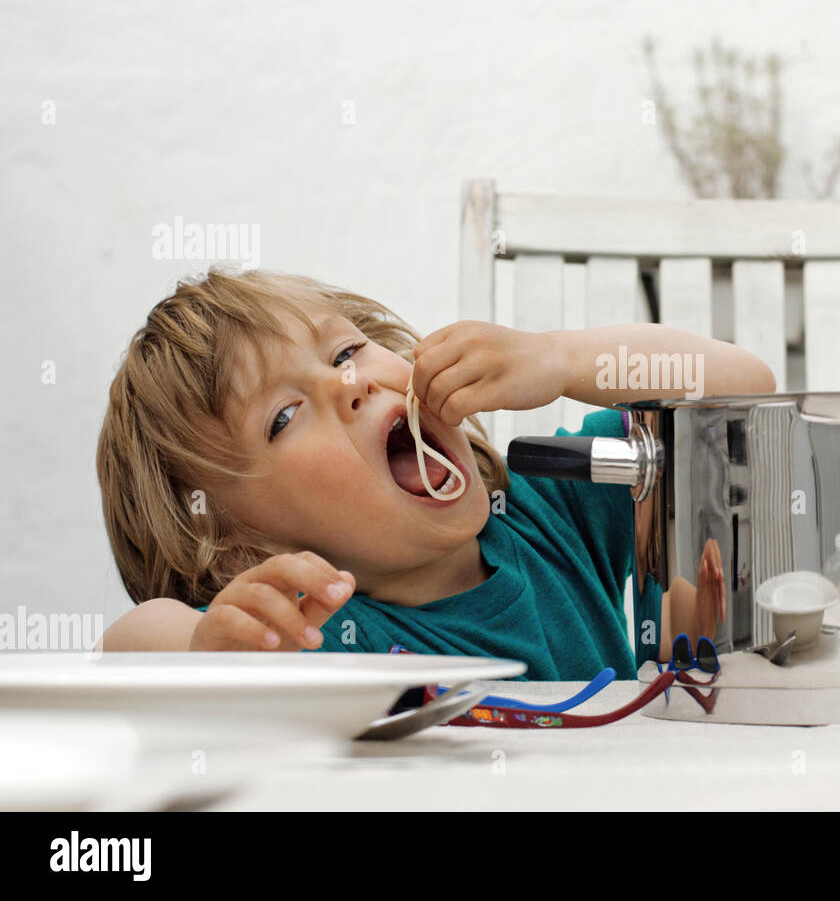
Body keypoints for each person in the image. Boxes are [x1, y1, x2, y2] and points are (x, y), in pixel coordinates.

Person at [96, 267, 772, 679]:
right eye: (284, 414)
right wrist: (203, 647)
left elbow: (741, 389)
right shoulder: (308, 636)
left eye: (346, 349)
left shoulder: (549, 510)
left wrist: (559, 358)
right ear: (245, 553)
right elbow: (130, 644)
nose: (350, 384)